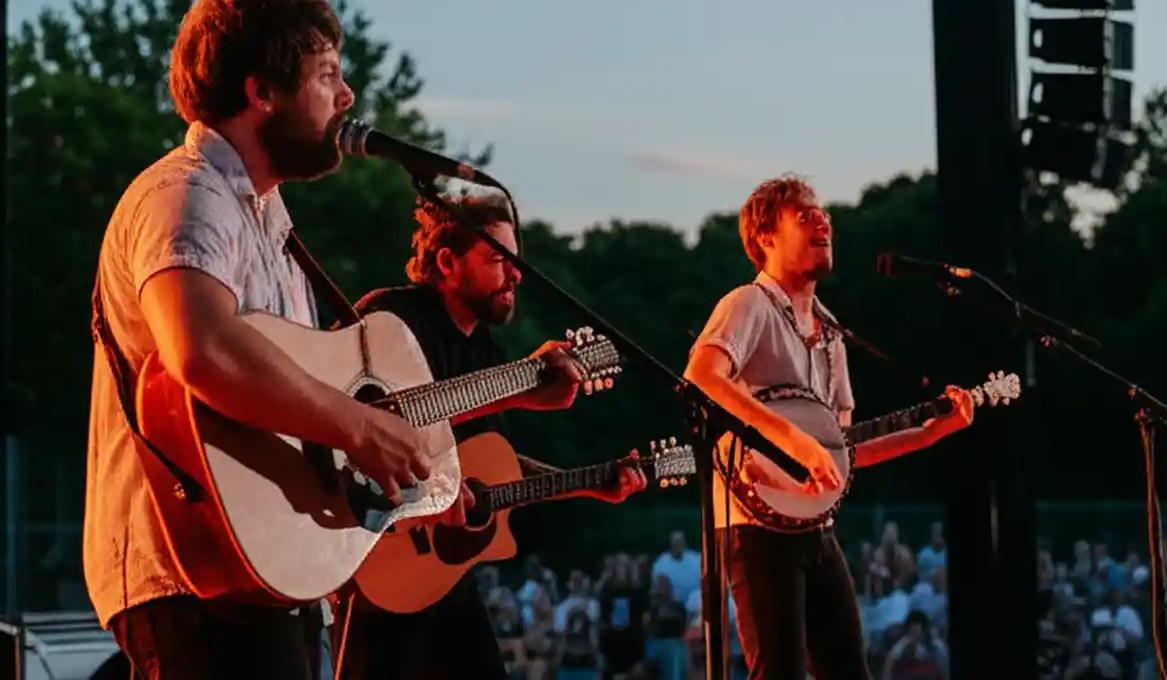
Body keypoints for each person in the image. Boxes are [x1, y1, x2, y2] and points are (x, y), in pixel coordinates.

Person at [83, 0, 571, 679]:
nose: (347, 97)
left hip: (265, 570)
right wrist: (361, 429)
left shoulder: (266, 219)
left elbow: (289, 411)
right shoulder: (187, 195)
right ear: (262, 92)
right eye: (327, 74)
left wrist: (408, 470)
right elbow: (204, 349)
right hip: (191, 578)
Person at [331, 192, 646, 679]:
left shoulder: (484, 347)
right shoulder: (389, 319)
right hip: (378, 558)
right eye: (498, 259)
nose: (515, 275)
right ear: (446, 261)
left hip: (443, 572)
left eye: (516, 261)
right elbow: (356, 417)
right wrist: (523, 381)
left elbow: (488, 461)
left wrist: (588, 482)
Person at [682, 174, 976, 680]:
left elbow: (841, 450)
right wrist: (791, 438)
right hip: (755, 528)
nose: (823, 221)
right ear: (766, 237)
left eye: (825, 215)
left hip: (817, 528)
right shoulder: (748, 304)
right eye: (805, 215)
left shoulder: (832, 332)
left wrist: (931, 433)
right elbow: (701, 375)